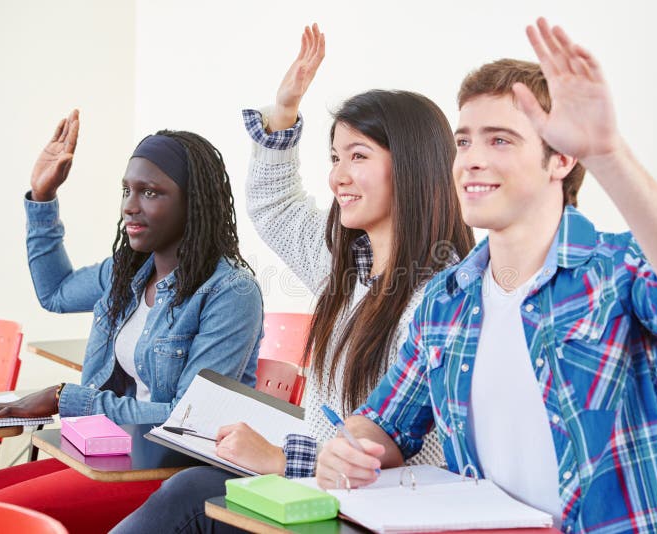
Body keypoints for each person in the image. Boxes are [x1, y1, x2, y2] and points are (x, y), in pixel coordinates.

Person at [316, 18, 657, 533]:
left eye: (499, 141)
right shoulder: (445, 301)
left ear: (561, 157)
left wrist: (608, 153)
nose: (472, 160)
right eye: (464, 141)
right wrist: (347, 448)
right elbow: (386, 424)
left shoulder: (616, 270)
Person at [113, 24, 475, 533]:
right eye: (334, 157)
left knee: (189, 495)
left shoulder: (440, 299)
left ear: (413, 167)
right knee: (189, 484)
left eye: (358, 156)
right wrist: (282, 113)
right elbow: (275, 204)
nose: (337, 176)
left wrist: (283, 460)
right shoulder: (346, 268)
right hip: (317, 495)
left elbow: (420, 464)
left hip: (363, 514)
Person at [0, 110, 264, 533]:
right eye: (126, 190)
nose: (130, 206)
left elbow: (183, 422)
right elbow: (55, 291)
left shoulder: (231, 292)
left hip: (165, 470)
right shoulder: (127, 272)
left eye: (150, 192)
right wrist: (43, 198)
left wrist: (65, 398)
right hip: (106, 456)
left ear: (193, 202)